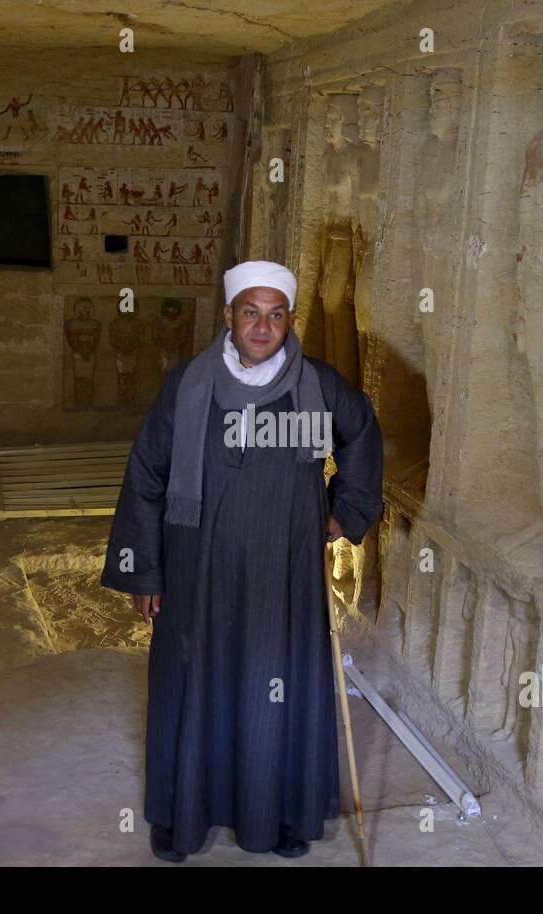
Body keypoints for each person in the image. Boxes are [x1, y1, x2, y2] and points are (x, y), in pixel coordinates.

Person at [101, 260, 384, 862]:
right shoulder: (189, 384)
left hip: (280, 571)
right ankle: (182, 819)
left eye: (275, 314)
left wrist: (346, 510)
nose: (263, 326)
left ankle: (278, 817)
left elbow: (361, 432)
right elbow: (147, 474)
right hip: (195, 567)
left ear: (287, 321)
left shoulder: (316, 384)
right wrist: (145, 570)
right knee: (192, 685)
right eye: (250, 312)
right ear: (229, 316)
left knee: (273, 689)